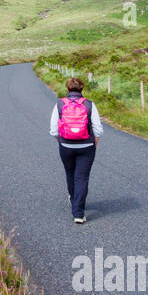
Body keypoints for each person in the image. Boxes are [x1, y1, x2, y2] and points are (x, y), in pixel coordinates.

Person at [49, 77, 103, 223]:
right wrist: (94, 143)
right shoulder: (89, 104)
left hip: (66, 146)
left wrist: (61, 141)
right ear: (82, 89)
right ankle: (78, 213)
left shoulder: (60, 104)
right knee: (82, 178)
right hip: (86, 146)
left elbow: (53, 130)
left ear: (67, 89)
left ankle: (74, 199)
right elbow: (98, 129)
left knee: (70, 174)